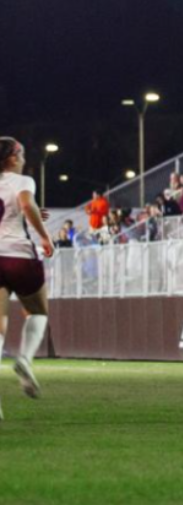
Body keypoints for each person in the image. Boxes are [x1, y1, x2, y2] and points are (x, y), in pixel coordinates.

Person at [0, 138, 55, 417]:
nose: (23, 159)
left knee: (0, 323)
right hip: (18, 255)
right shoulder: (23, 181)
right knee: (38, 311)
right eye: (21, 155)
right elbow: (25, 204)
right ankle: (24, 358)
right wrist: (44, 236)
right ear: (12, 157)